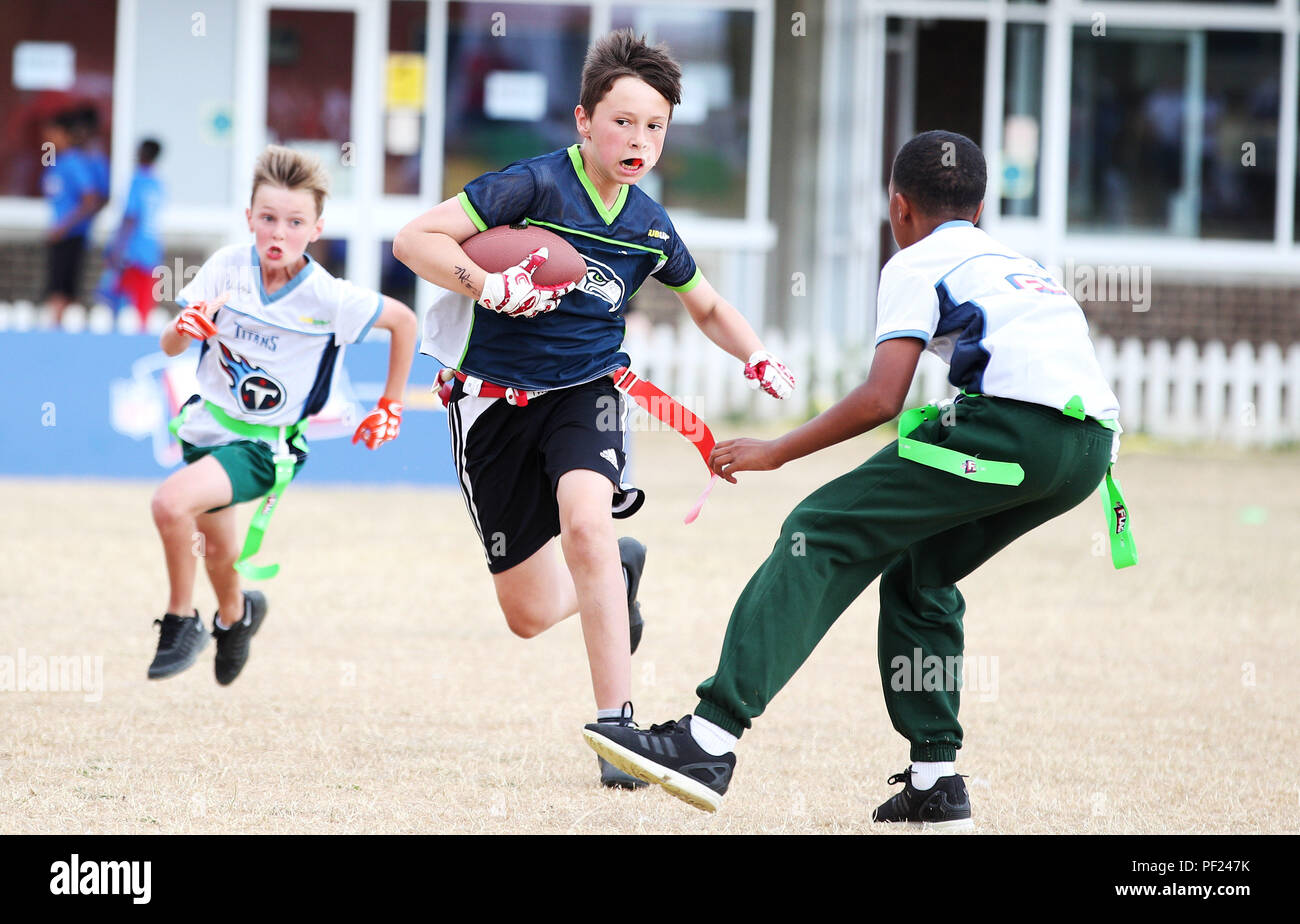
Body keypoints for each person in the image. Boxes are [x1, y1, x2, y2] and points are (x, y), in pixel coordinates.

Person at [584, 130, 1129, 827]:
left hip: (1013, 429)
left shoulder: (917, 260)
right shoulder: (1018, 264)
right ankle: (936, 781)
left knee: (819, 532)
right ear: (982, 208)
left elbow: (882, 398)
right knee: (922, 569)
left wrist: (777, 451)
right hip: (1088, 451)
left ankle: (708, 738)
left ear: (898, 208)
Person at [393, 30, 794, 788]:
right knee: (527, 614)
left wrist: (756, 354)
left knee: (587, 519)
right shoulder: (534, 187)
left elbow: (705, 305)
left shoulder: (649, 225)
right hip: (493, 406)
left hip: (590, 391)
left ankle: (620, 733)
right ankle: (616, 576)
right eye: (622, 122)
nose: (638, 138)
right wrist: (488, 286)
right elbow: (413, 239)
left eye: (655, 127)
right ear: (584, 121)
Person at [148, 145, 417, 685]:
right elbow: (170, 344)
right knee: (219, 551)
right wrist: (187, 328)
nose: (278, 233)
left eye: (294, 222)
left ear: (317, 228)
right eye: (267, 218)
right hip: (206, 428)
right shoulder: (227, 266)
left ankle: (182, 620)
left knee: (169, 504)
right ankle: (236, 615)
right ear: (248, 217)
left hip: (265, 446)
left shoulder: (329, 297)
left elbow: (405, 320)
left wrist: (392, 402)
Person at [42, 110, 104, 322]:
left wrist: (64, 227)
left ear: (65, 134)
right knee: (56, 287)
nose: (48, 138)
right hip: (60, 235)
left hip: (70, 236)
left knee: (62, 289)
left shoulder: (75, 163)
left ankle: (57, 336)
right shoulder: (56, 162)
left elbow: (90, 199)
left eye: (53, 133)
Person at [99, 139, 165, 324]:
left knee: (115, 300)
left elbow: (130, 217)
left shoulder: (137, 181)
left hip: (132, 252)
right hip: (151, 251)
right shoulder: (158, 184)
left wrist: (116, 248)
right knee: (143, 307)